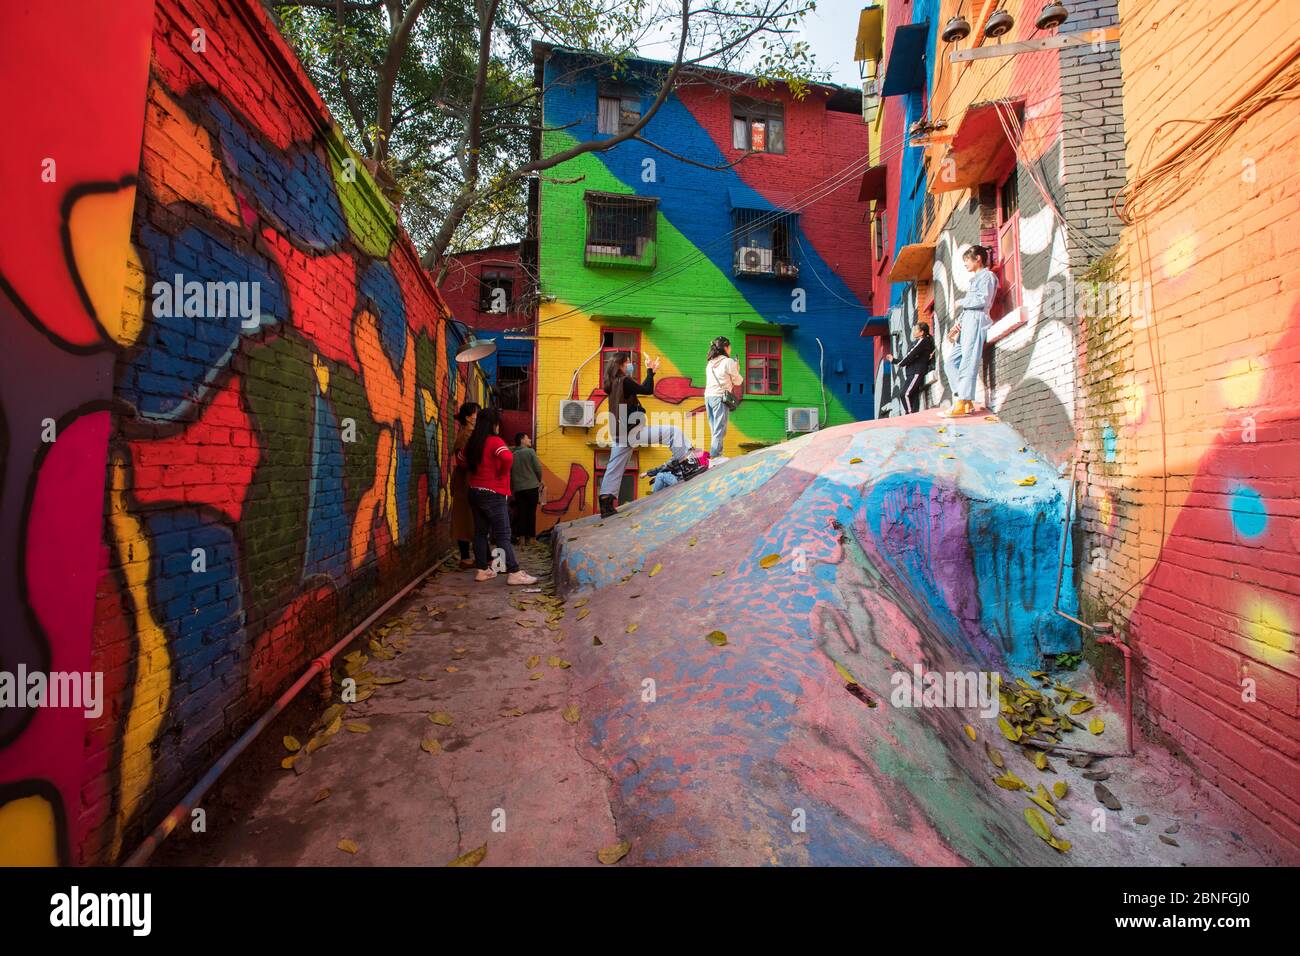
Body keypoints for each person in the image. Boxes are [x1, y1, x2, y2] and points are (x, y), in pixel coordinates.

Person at [598, 350, 690, 518]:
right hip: (632, 431)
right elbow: (647, 389)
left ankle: (605, 502)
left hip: (619, 433)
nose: (630, 366)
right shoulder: (624, 381)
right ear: (620, 364)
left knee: (614, 466)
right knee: (672, 432)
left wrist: (650, 372)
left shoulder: (611, 383)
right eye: (628, 363)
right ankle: (686, 466)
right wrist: (650, 371)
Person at [459, 408, 537, 585]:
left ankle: (482, 570)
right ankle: (514, 572)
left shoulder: (472, 442)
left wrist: (475, 471)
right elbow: (508, 458)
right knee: (503, 534)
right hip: (493, 493)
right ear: (494, 424)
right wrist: (501, 474)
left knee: (480, 533)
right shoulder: (495, 441)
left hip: (474, 491)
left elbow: (461, 460)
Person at [942, 245, 998, 418]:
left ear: (978, 258)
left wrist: (961, 302)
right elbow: (970, 306)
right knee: (951, 362)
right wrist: (957, 325)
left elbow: (983, 299)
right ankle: (964, 399)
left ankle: (962, 401)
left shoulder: (987, 276)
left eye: (967, 260)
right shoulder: (975, 279)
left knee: (968, 360)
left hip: (976, 320)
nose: (965, 264)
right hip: (967, 321)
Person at [449, 402, 480, 568]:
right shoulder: (466, 434)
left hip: (466, 480)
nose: (478, 416)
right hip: (465, 481)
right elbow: (463, 459)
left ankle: (468, 556)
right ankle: (466, 557)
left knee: (468, 519)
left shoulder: (469, 433)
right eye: (476, 414)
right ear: (468, 418)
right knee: (465, 519)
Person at [703, 336, 742, 461]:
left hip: (708, 397)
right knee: (720, 429)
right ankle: (715, 456)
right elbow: (738, 381)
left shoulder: (710, 363)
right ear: (725, 347)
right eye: (729, 347)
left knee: (715, 428)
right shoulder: (728, 362)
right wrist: (737, 369)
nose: (730, 349)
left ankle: (716, 453)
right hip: (720, 397)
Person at [892, 322, 935, 414]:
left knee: (905, 394)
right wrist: (894, 361)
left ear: (922, 332)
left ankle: (909, 415)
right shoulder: (920, 342)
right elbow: (909, 357)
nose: (914, 331)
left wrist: (900, 364)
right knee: (912, 397)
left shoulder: (923, 341)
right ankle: (912, 414)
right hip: (912, 372)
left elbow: (911, 354)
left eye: (916, 330)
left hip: (916, 372)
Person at [509, 432, 543, 544]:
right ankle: (532, 538)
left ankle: (522, 538)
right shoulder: (530, 452)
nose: (530, 440)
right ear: (522, 440)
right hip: (532, 487)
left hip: (518, 488)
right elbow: (538, 468)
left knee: (521, 513)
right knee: (531, 513)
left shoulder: (512, 454)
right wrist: (539, 479)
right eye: (527, 438)